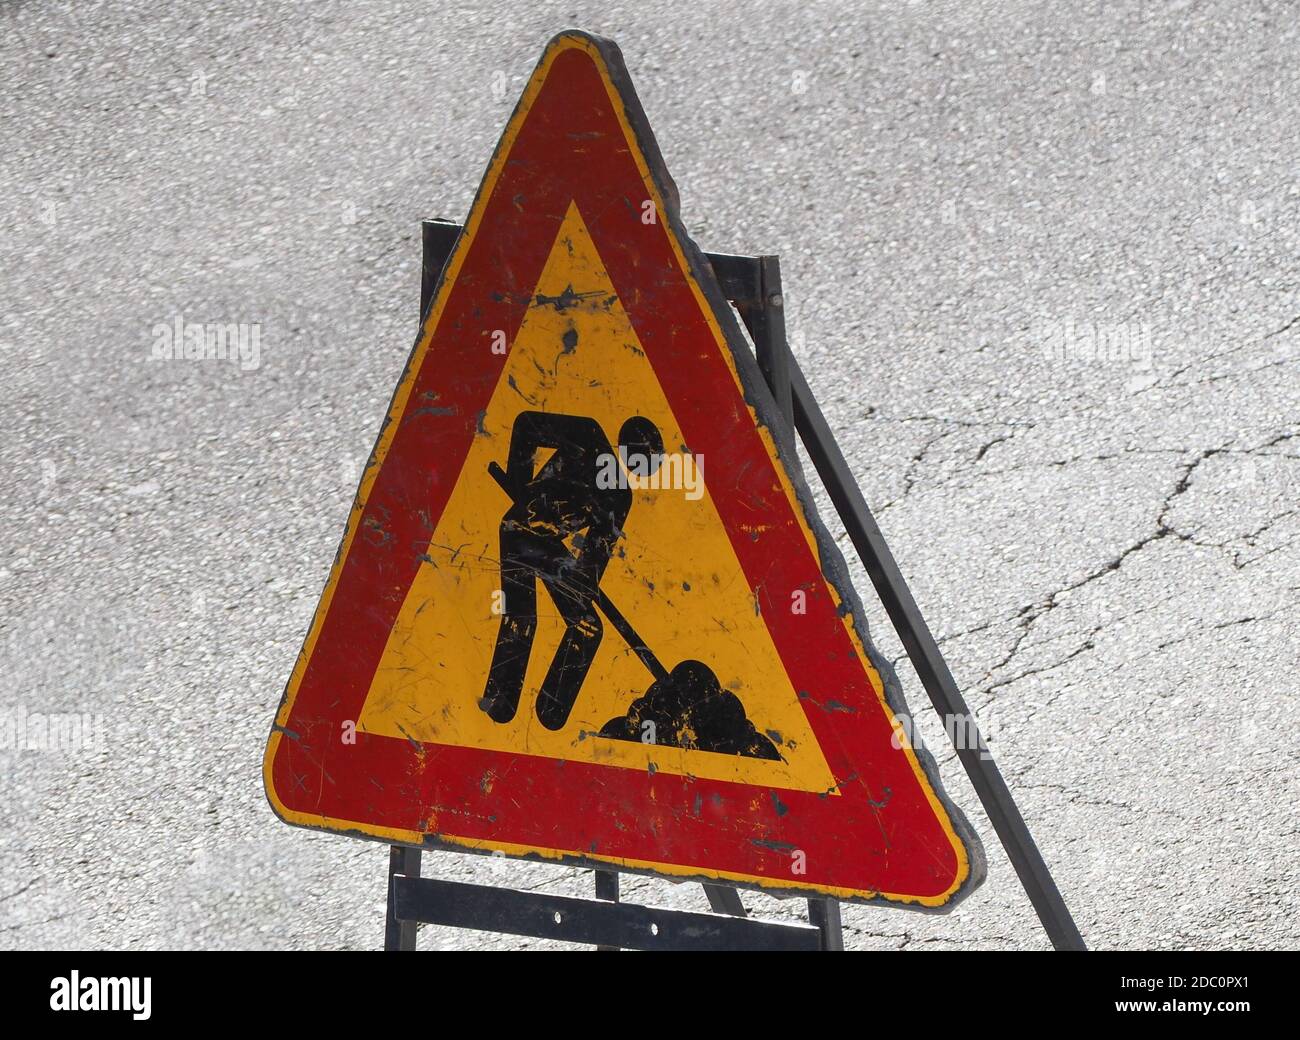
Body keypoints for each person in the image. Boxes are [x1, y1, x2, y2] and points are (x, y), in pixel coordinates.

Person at [482, 410, 662, 730]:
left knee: (583, 626)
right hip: (519, 529)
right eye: (643, 453)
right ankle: (503, 703)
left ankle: (548, 713)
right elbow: (525, 424)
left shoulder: (620, 497)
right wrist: (521, 482)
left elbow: (593, 561)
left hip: (546, 546)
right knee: (526, 618)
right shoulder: (587, 436)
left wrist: (582, 584)